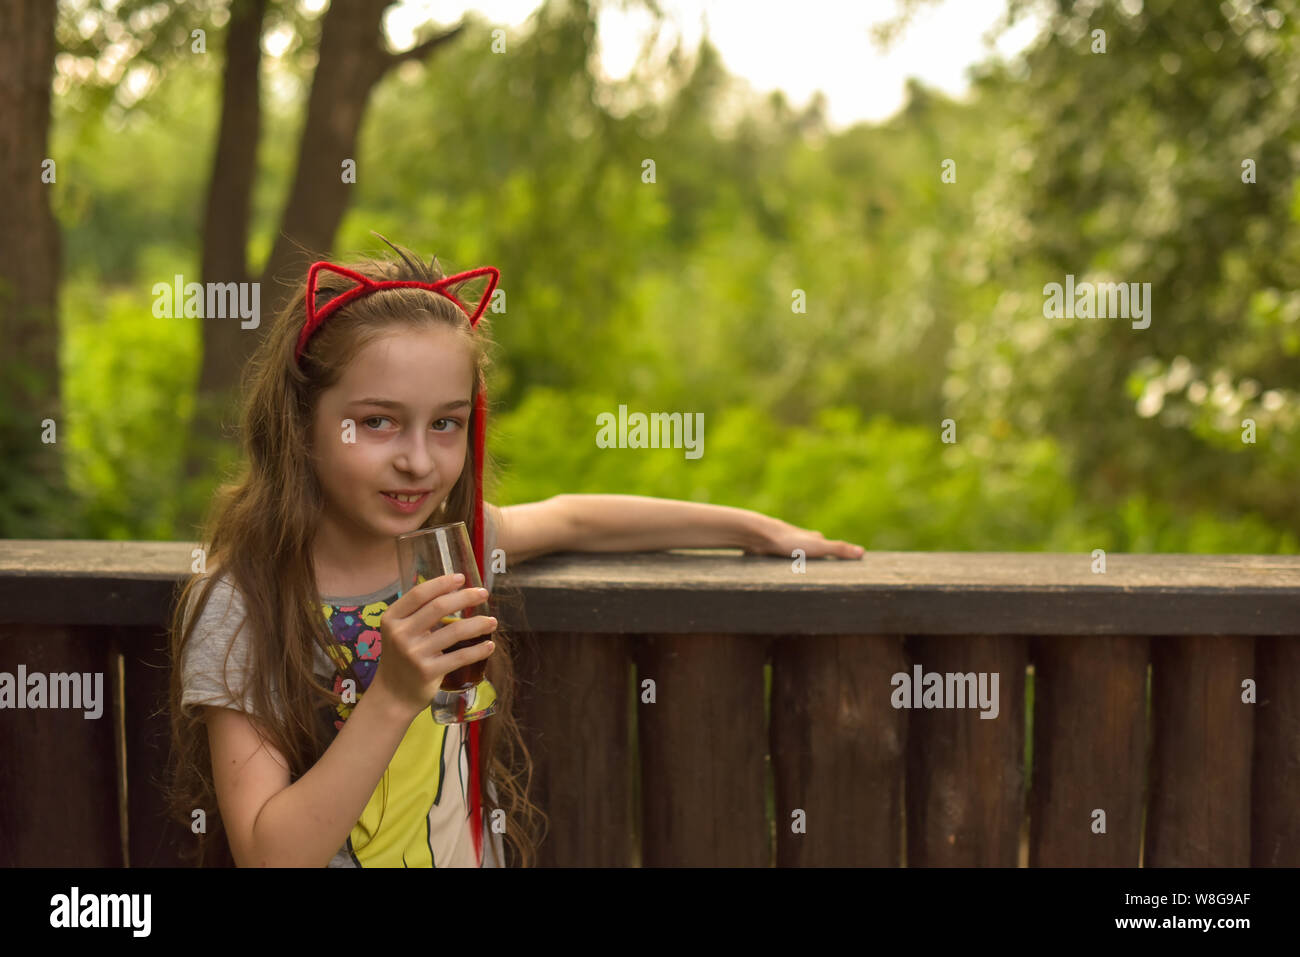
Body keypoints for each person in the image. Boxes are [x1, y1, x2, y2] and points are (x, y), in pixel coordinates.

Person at [165, 236, 865, 868]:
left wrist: (756, 531)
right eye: (377, 422)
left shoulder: (456, 550)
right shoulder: (244, 602)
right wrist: (394, 696)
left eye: (446, 424)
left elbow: (577, 520)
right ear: (300, 424)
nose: (418, 460)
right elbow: (268, 855)